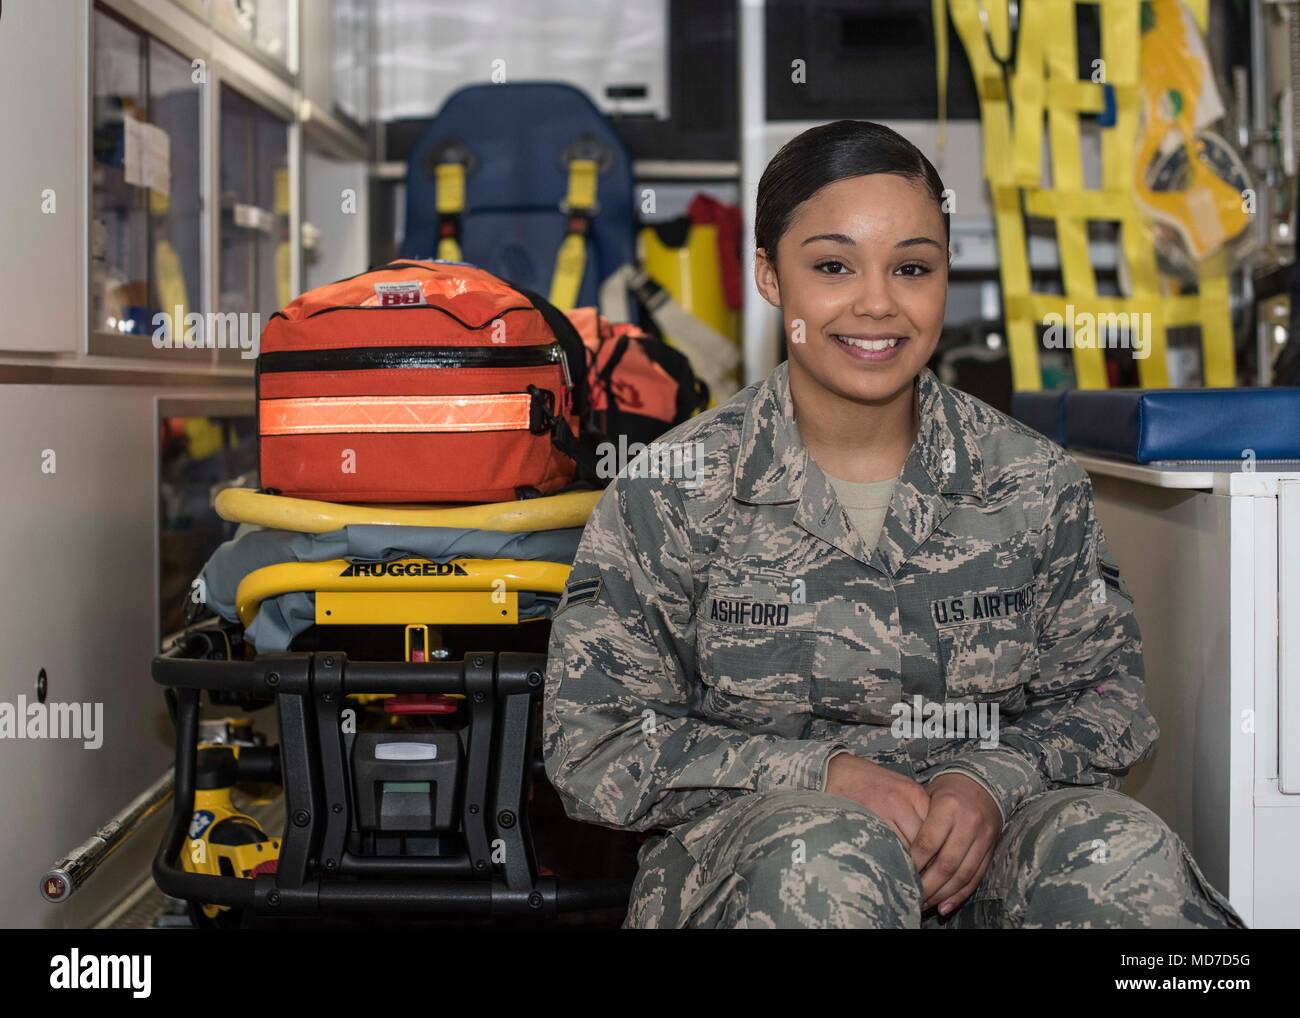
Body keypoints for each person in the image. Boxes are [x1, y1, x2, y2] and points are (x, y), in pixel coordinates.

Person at [542, 120, 1245, 929]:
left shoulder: (1031, 481)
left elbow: (1106, 701)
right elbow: (593, 741)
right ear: (770, 275)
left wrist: (992, 781)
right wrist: (819, 775)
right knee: (827, 858)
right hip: (768, 874)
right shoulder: (672, 491)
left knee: (1119, 852)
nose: (877, 303)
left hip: (986, 866)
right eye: (833, 266)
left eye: (912, 268)